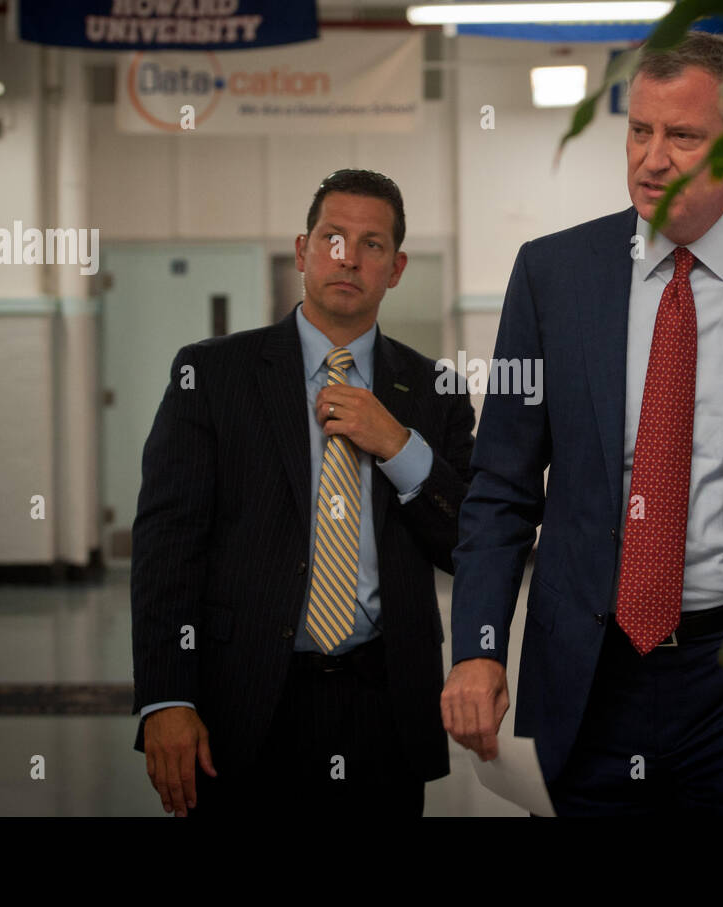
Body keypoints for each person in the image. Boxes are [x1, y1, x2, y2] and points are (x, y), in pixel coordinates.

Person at [441, 33, 723, 815]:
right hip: (593, 673)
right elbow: (502, 484)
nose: (653, 158)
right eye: (640, 130)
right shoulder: (554, 274)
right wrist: (478, 646)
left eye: (683, 136)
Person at [131, 169, 476, 817]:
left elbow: (467, 542)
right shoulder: (211, 375)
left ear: (396, 267)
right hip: (244, 695)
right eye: (333, 236)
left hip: (384, 702)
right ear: (301, 251)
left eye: (372, 244)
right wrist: (166, 696)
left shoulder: (436, 392)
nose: (349, 257)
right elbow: (165, 547)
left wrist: (398, 445)